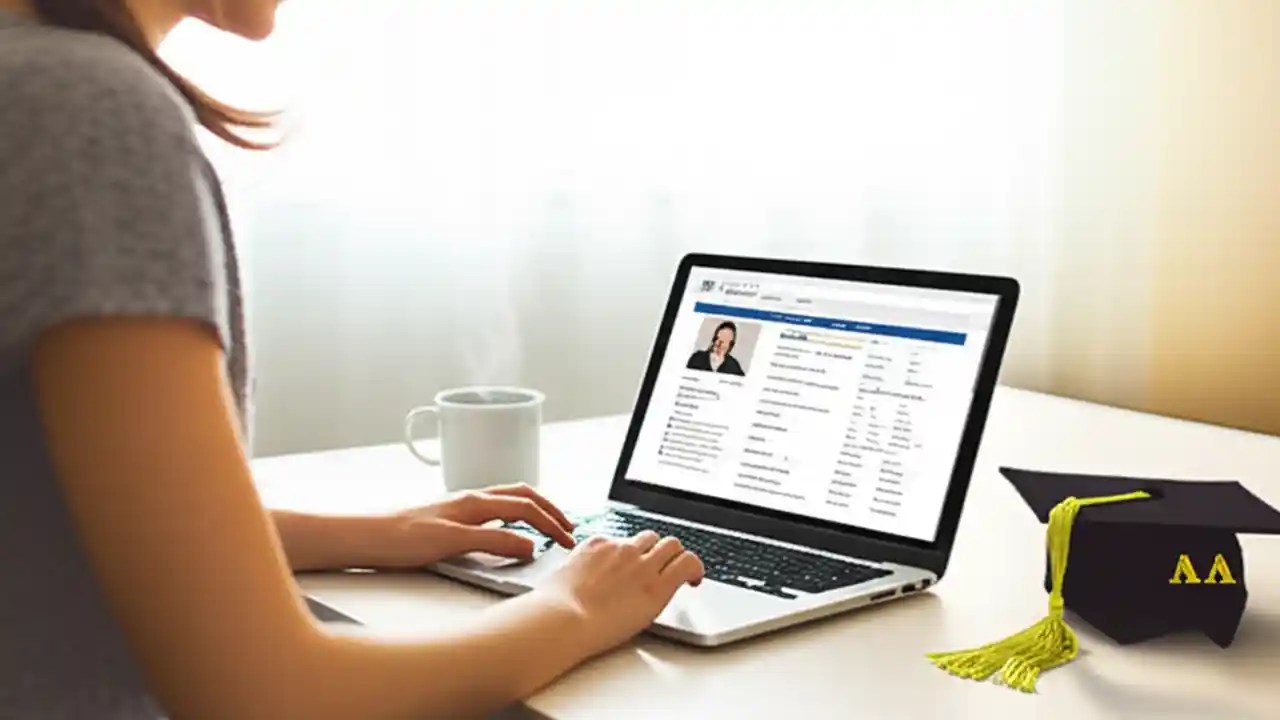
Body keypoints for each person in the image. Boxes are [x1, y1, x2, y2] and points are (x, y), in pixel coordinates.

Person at [0, 1, 704, 718]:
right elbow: (269, 694)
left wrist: (381, 534)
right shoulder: (88, 115)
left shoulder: (29, 76)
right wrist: (576, 607)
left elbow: (69, 525)